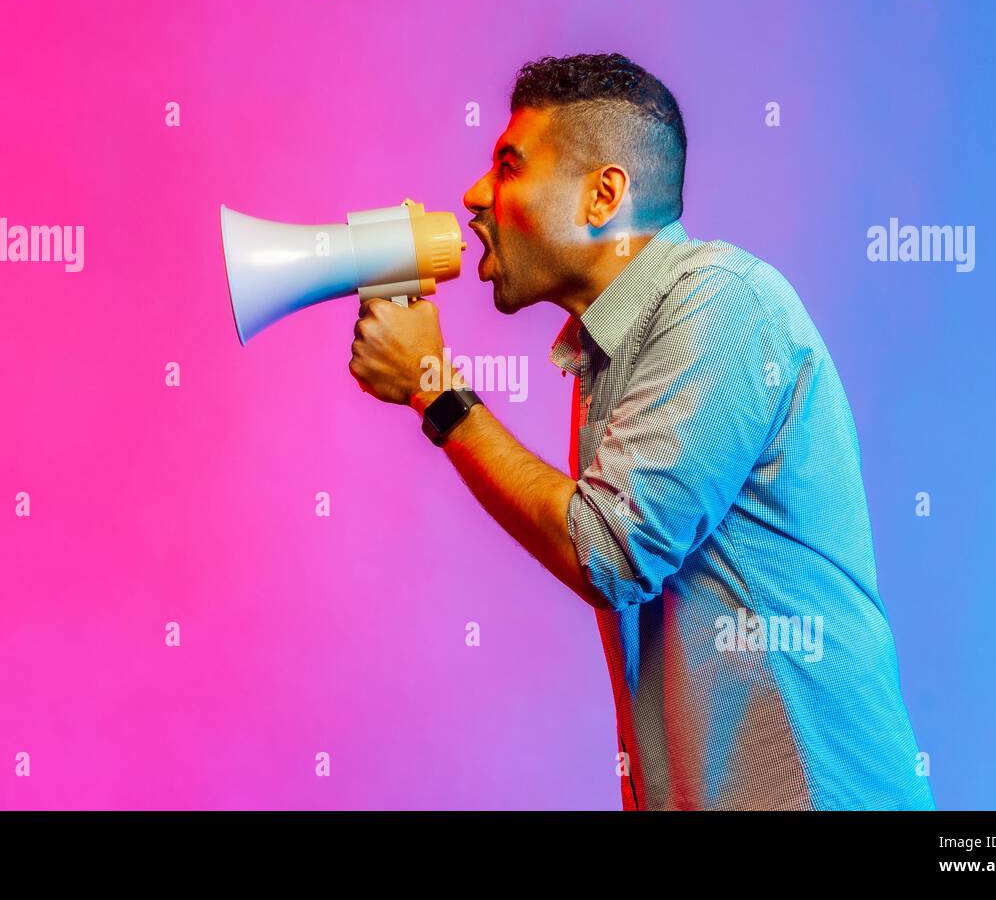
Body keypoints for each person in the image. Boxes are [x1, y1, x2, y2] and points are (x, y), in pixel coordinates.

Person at [348, 52, 935, 811]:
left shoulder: (724, 301)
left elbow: (608, 552)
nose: (473, 196)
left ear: (604, 195)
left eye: (508, 165)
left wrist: (438, 393)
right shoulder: (608, 352)